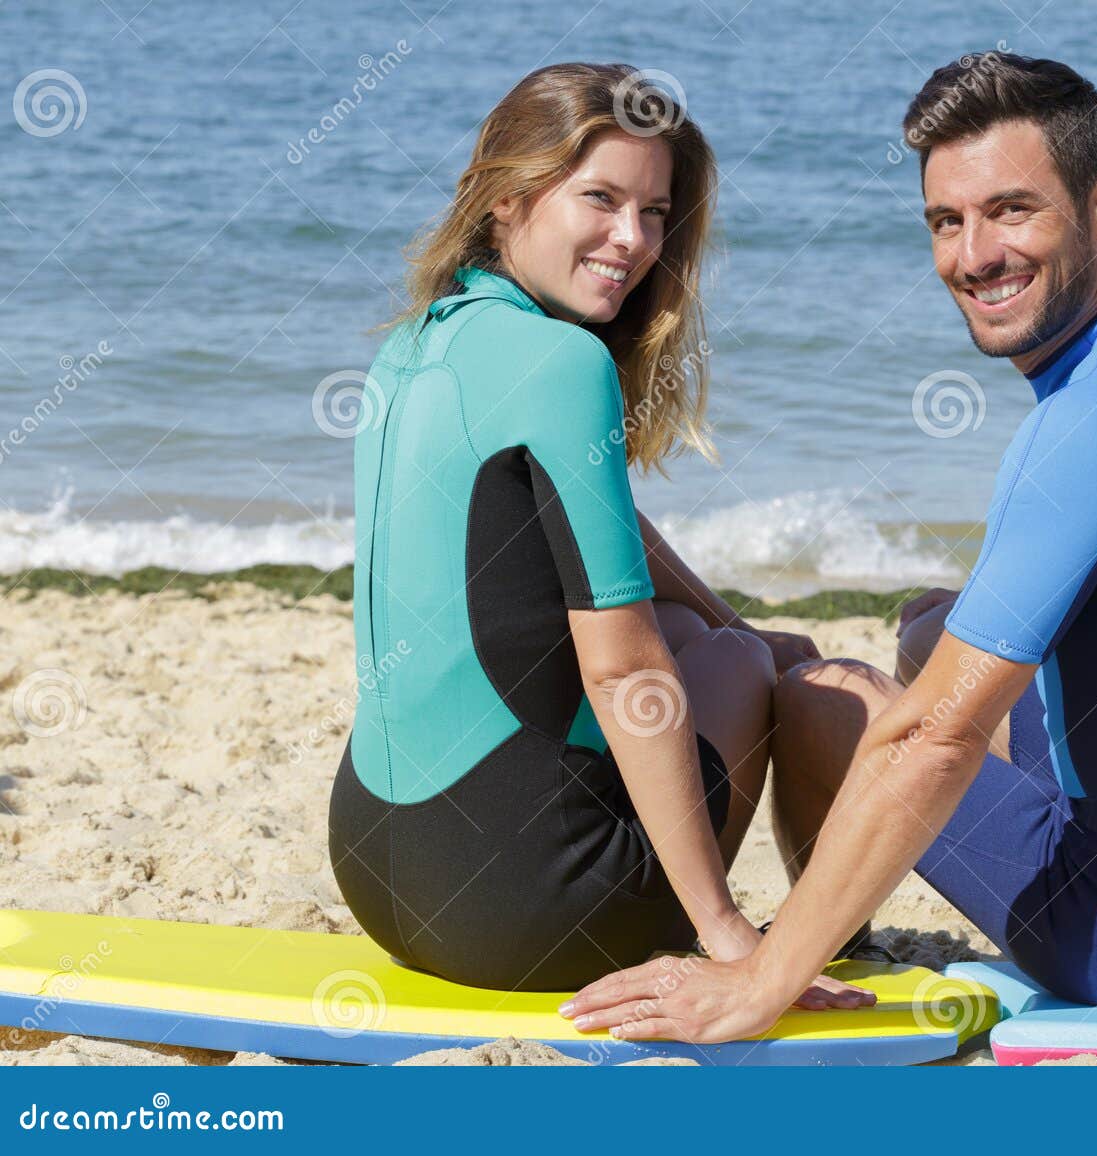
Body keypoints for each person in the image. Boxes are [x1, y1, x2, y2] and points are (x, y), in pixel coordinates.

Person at [560, 53, 1097, 1042]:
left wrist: (756, 983)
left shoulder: (1084, 425)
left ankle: (814, 955)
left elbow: (931, 743)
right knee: (928, 629)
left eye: (1011, 211)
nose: (973, 255)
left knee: (824, 697)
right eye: (947, 221)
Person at [327, 62, 868, 1011]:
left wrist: (727, 619)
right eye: (602, 199)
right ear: (506, 197)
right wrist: (727, 936)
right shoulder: (563, 361)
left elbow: (599, 527)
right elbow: (622, 676)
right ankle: (819, 930)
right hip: (530, 915)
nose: (634, 239)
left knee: (714, 638)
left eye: (655, 212)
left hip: (378, 875)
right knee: (735, 665)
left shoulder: (408, 345)